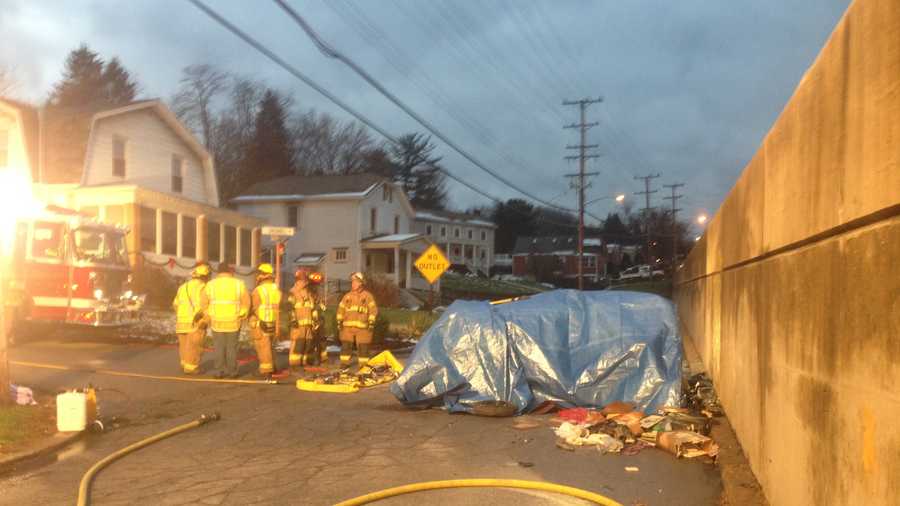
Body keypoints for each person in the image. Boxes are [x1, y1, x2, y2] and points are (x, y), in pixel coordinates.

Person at [201, 262, 250, 379]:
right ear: (229, 271)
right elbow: (246, 302)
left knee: (219, 347)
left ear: (218, 272)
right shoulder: (239, 284)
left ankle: (219, 372)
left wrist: (209, 315)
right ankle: (232, 372)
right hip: (233, 320)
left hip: (217, 321)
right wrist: (242, 314)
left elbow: (203, 303)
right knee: (231, 347)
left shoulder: (210, 285)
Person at [172, 263, 210, 374]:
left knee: (184, 344)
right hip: (195, 321)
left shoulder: (183, 287)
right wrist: (206, 319)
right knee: (194, 345)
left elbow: (175, 304)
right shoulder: (204, 287)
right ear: (205, 276)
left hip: (181, 320)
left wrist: (181, 314)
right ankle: (191, 367)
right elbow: (206, 305)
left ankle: (184, 363)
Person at [336, 272, 378, 367]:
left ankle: (363, 365)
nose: (353, 284)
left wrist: (371, 323)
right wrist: (339, 321)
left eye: (355, 282)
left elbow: (373, 310)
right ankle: (344, 364)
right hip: (347, 327)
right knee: (346, 346)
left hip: (363, 327)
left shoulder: (367, 296)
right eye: (352, 282)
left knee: (363, 347)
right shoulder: (347, 296)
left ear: (361, 283)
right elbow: (340, 309)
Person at [287, 268, 325, 369]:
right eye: (302, 279)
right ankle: (295, 363)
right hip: (299, 323)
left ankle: (304, 362)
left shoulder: (309, 292)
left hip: (308, 323)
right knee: (298, 343)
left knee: (307, 343)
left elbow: (313, 307)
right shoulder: (293, 291)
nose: (303, 281)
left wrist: (315, 320)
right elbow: (289, 307)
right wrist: (293, 319)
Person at [250, 263, 281, 379]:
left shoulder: (258, 290)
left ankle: (266, 371)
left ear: (262, 275)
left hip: (261, 322)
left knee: (263, 347)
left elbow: (254, 307)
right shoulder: (275, 289)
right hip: (273, 321)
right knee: (270, 346)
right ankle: (273, 367)